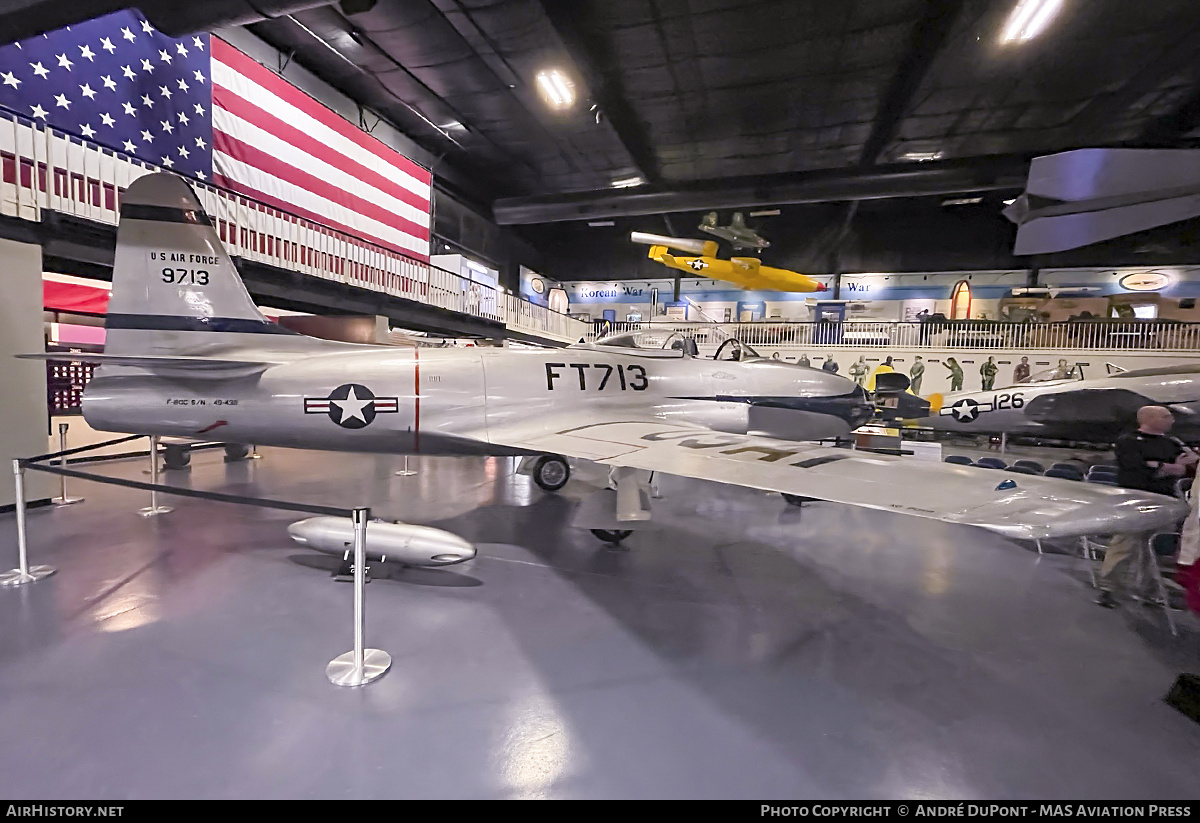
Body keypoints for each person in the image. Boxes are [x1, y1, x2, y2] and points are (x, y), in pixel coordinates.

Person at [1096, 406, 1198, 608]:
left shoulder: (1172, 442)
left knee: (1150, 548)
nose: (1172, 420)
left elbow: (1189, 465)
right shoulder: (1129, 441)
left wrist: (1161, 466)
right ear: (1148, 419)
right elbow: (1136, 469)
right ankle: (1108, 587)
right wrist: (1171, 467)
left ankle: (1149, 590)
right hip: (1135, 499)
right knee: (1125, 544)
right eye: (1166, 416)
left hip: (1165, 500)